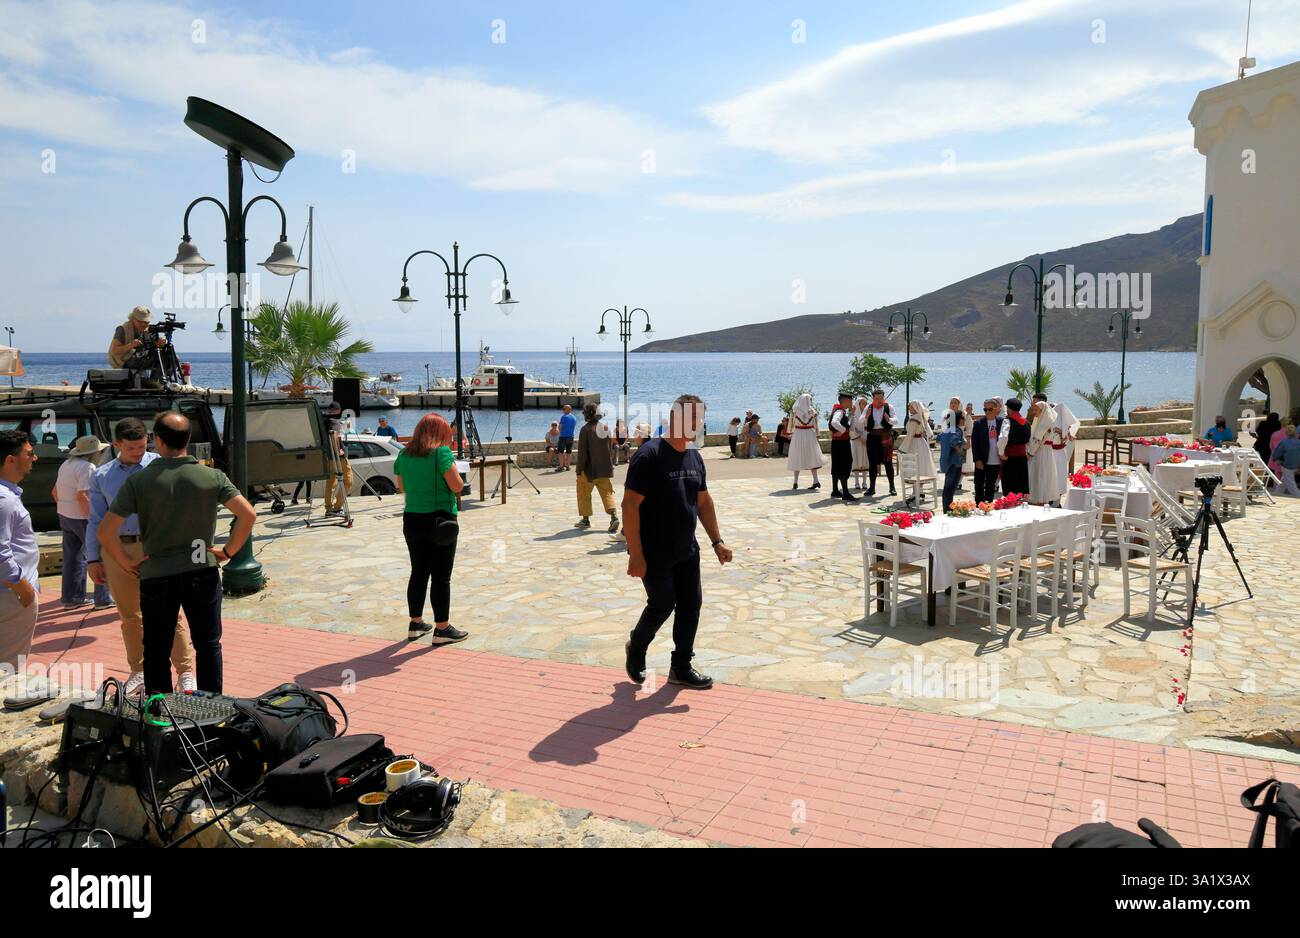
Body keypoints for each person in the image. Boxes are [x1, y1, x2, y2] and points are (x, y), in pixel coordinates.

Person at [99, 413, 256, 694]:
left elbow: (105, 531)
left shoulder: (140, 482)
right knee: (208, 643)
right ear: (188, 440)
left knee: (156, 647)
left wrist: (128, 562)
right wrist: (228, 551)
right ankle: (211, 705)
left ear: (157, 440)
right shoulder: (212, 476)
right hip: (201, 568)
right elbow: (248, 515)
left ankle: (159, 709)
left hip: (157, 573)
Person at [622, 394, 731, 690]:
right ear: (673, 418)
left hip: (687, 548)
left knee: (691, 604)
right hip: (654, 549)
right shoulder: (649, 455)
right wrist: (635, 553)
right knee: (661, 604)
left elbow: (704, 502)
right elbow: (629, 505)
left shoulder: (694, 457)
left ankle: (680, 667)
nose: (696, 424)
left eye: (699, 419)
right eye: (691, 418)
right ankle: (638, 647)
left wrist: (717, 542)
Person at [87, 418, 195, 696]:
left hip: (156, 545)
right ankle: (139, 670)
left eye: (142, 445)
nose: (139, 451)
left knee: (172, 612)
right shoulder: (101, 476)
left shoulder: (161, 465)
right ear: (116, 445)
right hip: (117, 547)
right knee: (130, 616)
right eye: (132, 447)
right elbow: (95, 520)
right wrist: (92, 559)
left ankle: (185, 672)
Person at [393, 413, 468, 643]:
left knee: (418, 572)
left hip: (413, 519)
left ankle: (416, 624)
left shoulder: (404, 454)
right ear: (440, 433)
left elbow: (402, 487)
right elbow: (456, 484)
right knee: (441, 577)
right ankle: (442, 629)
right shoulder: (442, 453)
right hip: (440, 520)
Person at [54, 435, 113, 609]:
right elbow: (83, 495)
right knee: (100, 554)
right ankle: (103, 598)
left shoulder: (66, 465)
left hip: (65, 515)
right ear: (94, 453)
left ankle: (71, 598)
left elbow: (55, 492)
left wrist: (65, 509)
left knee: (72, 557)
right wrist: (94, 519)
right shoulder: (88, 467)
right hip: (82, 516)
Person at [0, 430, 40, 673]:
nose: (34, 458)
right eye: (29, 453)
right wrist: (21, 585)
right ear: (10, 460)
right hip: (10, 596)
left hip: (10, 592)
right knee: (8, 671)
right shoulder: (4, 499)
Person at [575, 403, 620, 532]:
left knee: (584, 493)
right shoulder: (606, 428)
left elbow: (582, 453)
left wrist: (579, 470)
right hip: (605, 468)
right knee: (607, 494)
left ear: (587, 414)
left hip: (589, 470)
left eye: (584, 413)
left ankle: (585, 519)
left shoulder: (585, 429)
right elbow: (610, 448)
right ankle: (614, 516)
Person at [897, 400, 934, 505]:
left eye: (911, 407)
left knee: (914, 467)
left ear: (915, 407)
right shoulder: (921, 416)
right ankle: (920, 491)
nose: (909, 408)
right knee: (921, 466)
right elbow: (929, 433)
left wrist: (902, 448)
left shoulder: (914, 419)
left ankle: (915, 493)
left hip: (914, 444)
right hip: (922, 444)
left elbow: (909, 436)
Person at [1027, 398, 1061, 505]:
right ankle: (1040, 498)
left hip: (1040, 453)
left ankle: (1038, 499)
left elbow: (1037, 441)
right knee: (1043, 475)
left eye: (1036, 410)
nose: (1034, 412)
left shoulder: (1043, 424)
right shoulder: (1047, 422)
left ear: (1043, 411)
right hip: (1046, 452)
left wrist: (1030, 452)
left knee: (1039, 474)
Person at [786, 393, 823, 490]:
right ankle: (815, 480)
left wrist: (790, 431)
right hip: (810, 434)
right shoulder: (812, 411)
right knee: (812, 456)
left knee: (797, 456)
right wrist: (817, 434)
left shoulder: (795, 411)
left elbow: (790, 425)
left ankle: (795, 482)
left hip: (798, 434)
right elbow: (816, 424)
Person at [863, 389, 896, 497]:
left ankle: (892, 487)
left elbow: (896, 420)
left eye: (881, 398)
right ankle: (872, 488)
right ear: (873, 398)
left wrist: (889, 419)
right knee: (872, 464)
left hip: (885, 436)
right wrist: (866, 417)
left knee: (888, 463)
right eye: (877, 398)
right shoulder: (869, 408)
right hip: (872, 437)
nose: (879, 400)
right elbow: (859, 421)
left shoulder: (889, 407)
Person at [323, 401, 354, 516]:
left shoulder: (322, 420)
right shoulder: (334, 422)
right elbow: (334, 436)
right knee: (348, 481)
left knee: (330, 483)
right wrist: (339, 451)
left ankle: (329, 508)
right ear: (338, 411)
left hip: (327, 457)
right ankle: (337, 506)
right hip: (337, 457)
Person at [971, 399, 1004, 502]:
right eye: (985, 409)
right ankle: (979, 506)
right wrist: (977, 459)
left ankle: (988, 506)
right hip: (982, 460)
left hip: (995, 461)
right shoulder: (978, 423)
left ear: (996, 409)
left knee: (990, 486)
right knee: (979, 485)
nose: (987, 412)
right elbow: (974, 443)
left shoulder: (1001, 422)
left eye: (990, 409)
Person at [998, 399, 1031, 497]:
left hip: (1010, 457)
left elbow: (1003, 438)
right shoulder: (1026, 422)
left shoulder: (1007, 421)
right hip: (1022, 457)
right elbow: (1029, 440)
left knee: (1009, 485)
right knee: (1020, 484)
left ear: (1009, 408)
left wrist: (1001, 453)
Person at [939, 402, 968, 512]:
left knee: (947, 488)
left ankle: (946, 509)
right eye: (963, 418)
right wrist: (961, 452)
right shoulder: (957, 430)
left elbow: (938, 438)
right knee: (950, 488)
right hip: (955, 462)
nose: (964, 420)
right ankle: (948, 510)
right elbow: (954, 442)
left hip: (946, 462)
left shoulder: (946, 430)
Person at [828, 392, 856, 502]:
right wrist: (843, 431)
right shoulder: (839, 411)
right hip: (842, 444)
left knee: (836, 466)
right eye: (850, 400)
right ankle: (845, 492)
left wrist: (852, 415)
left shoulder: (841, 411)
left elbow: (849, 426)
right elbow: (835, 423)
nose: (852, 402)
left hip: (837, 443)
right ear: (845, 401)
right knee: (845, 465)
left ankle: (835, 490)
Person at [1269, 425, 1300, 496]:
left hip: (1287, 464)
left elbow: (1276, 453)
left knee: (1290, 483)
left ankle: (1298, 495)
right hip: (1297, 464)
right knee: (1285, 479)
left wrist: (1276, 459)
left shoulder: (1283, 442)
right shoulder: (1299, 442)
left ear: (1286, 433)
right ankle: (1278, 492)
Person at [849, 397, 870, 491]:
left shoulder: (868, 415)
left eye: (866, 404)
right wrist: (859, 437)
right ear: (858, 404)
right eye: (863, 404)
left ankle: (865, 482)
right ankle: (857, 482)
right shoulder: (853, 416)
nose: (865, 406)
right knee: (856, 460)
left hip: (866, 439)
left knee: (865, 460)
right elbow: (851, 429)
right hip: (856, 441)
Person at [557, 404, 578, 471]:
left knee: (561, 452)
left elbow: (560, 427)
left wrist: (560, 430)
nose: (563, 410)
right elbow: (574, 427)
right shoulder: (574, 417)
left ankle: (561, 466)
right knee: (569, 452)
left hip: (563, 436)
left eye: (564, 409)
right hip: (571, 436)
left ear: (567, 409)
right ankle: (568, 466)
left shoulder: (563, 417)